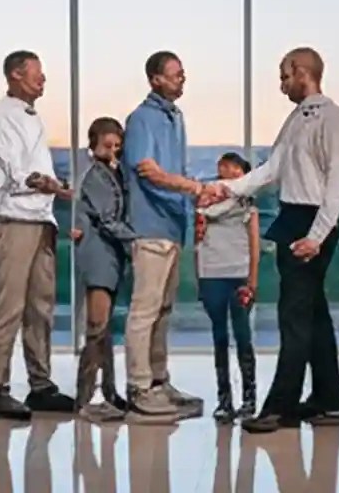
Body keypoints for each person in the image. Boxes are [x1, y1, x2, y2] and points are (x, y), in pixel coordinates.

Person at [198, 47, 339, 433]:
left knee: (294, 315)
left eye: (284, 76)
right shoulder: (296, 119)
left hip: (312, 221)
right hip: (292, 218)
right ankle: (328, 402)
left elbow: (337, 183)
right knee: (313, 314)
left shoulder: (334, 119)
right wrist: (226, 189)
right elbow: (270, 170)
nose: (282, 84)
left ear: (303, 72)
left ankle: (280, 407)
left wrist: (316, 235)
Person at [0, 50, 78, 421]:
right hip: (14, 221)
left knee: (41, 308)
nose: (44, 79)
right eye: (37, 73)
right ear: (15, 76)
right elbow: (19, 174)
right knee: (9, 309)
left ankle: (41, 385)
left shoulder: (31, 118)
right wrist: (57, 187)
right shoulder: (1, 119)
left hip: (40, 221)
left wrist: (55, 189)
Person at [120, 50, 206, 418]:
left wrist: (193, 205)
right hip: (149, 226)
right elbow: (147, 170)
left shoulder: (176, 118)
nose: (181, 79)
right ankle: (139, 387)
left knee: (164, 310)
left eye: (183, 74)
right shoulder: (140, 119)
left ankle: (158, 380)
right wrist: (192, 188)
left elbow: (173, 170)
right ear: (155, 79)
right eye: (175, 74)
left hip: (173, 226)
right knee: (145, 310)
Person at [71, 117, 135, 422]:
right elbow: (108, 219)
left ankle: (109, 392)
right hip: (99, 256)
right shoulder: (96, 176)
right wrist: (137, 240)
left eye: (117, 145)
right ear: (93, 145)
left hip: (110, 256)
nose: (112, 150)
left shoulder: (115, 174)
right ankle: (86, 397)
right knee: (97, 327)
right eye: (107, 145)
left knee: (105, 330)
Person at [195, 152, 261, 423]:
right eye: (223, 165)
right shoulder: (203, 205)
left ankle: (249, 399)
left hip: (239, 275)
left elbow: (255, 246)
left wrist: (252, 282)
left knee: (243, 338)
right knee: (219, 339)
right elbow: (197, 245)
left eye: (234, 166)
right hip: (211, 275)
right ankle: (224, 401)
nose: (227, 170)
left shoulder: (248, 206)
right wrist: (199, 279)